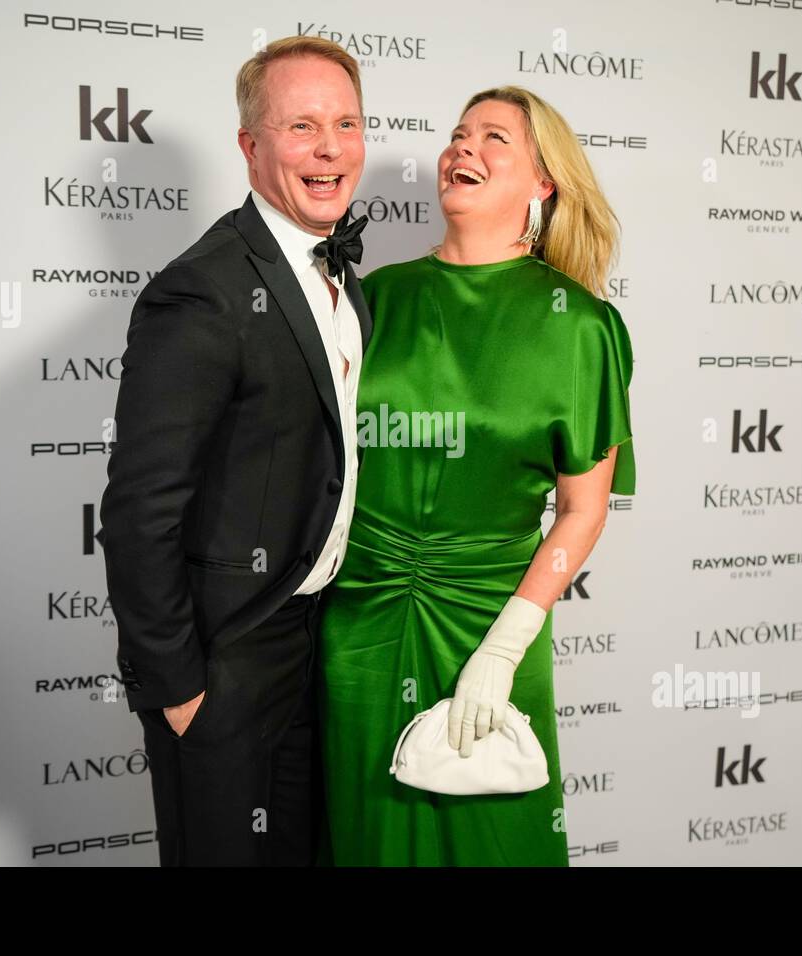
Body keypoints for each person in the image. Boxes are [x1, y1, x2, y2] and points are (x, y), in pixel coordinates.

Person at [317, 85, 636, 866]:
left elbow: (583, 509)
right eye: (458, 134)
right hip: (359, 619)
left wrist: (505, 648)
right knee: (366, 840)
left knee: (498, 841)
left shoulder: (581, 326)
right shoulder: (372, 298)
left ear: (543, 182)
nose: (464, 148)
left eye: (495, 138)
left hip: (489, 621)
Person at [99, 36, 370, 866]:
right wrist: (181, 691)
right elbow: (139, 510)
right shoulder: (202, 290)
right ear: (251, 146)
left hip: (316, 644)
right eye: (301, 127)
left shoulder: (344, 277)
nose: (330, 149)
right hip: (227, 661)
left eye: (347, 124)